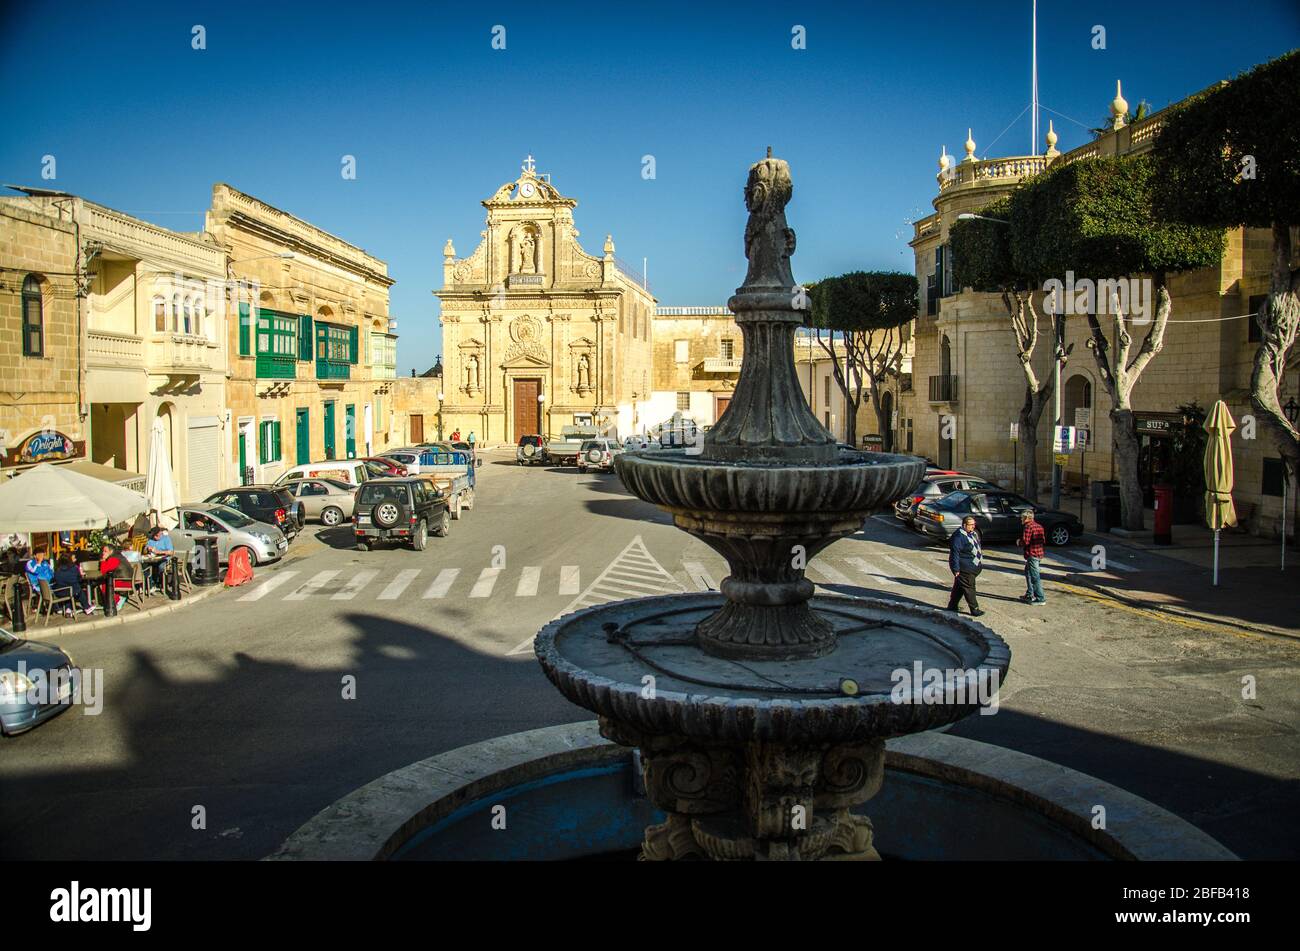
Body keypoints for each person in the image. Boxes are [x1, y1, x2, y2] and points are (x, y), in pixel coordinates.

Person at [945, 516, 985, 617]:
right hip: (965, 568)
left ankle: (952, 605)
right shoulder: (959, 536)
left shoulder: (972, 534)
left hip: (972, 566)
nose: (973, 526)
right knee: (969, 588)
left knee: (959, 587)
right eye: (971, 525)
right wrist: (956, 569)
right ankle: (974, 609)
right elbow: (955, 554)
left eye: (974, 524)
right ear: (964, 525)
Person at [1018, 509, 1047, 605]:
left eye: (1022, 517)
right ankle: (1030, 593)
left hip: (1032, 554)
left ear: (1026, 518)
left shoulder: (1028, 527)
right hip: (1039, 553)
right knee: (1028, 572)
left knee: (1035, 576)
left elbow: (1025, 541)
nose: (1021, 519)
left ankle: (1040, 598)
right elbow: (1043, 540)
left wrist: (1019, 542)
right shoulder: (1039, 526)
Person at [99, 544, 127, 612]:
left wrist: (103, 561)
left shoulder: (114, 559)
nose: (103, 553)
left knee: (104, 585)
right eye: (103, 551)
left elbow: (104, 571)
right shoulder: (115, 557)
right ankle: (110, 602)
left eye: (105, 551)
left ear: (111, 551)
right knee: (103, 583)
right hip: (120, 579)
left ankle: (117, 600)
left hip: (123, 581)